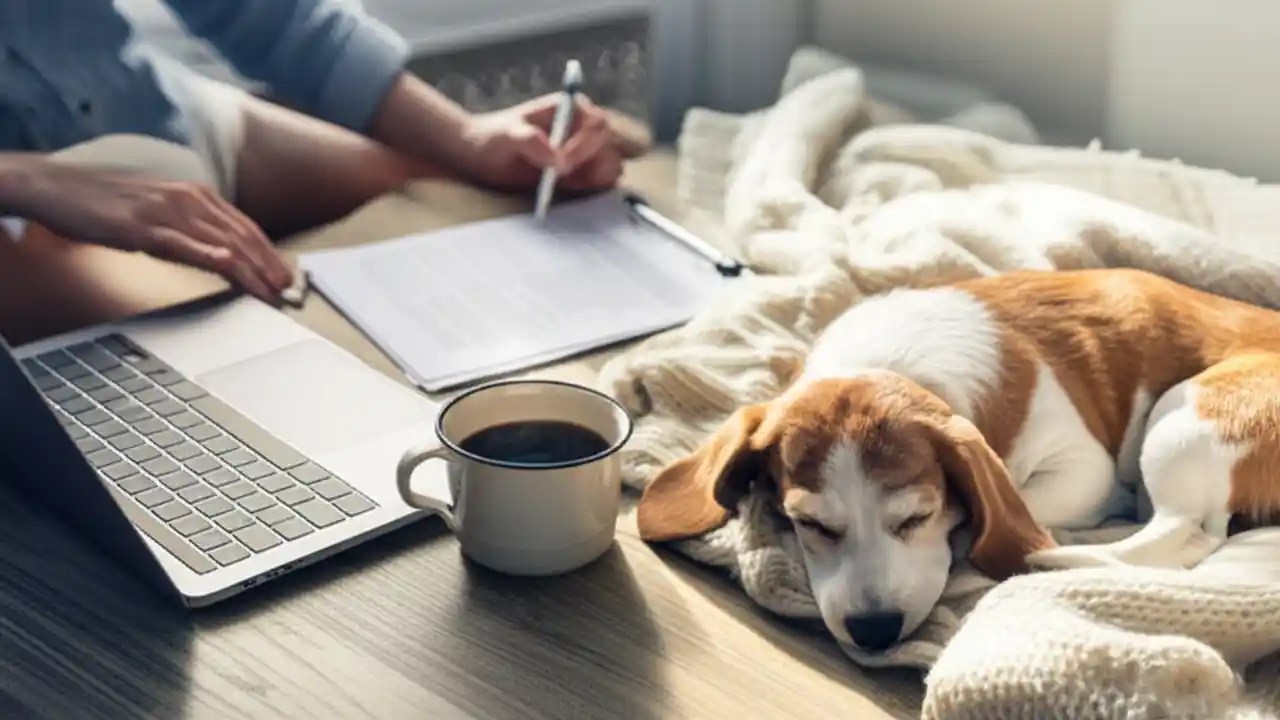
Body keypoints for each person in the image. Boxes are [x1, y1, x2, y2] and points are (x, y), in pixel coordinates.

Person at [0, 0, 641, 306]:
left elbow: (268, 17)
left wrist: (467, 139)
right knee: (225, 357)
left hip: (164, 113)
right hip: (21, 207)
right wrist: (26, 176)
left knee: (459, 205)